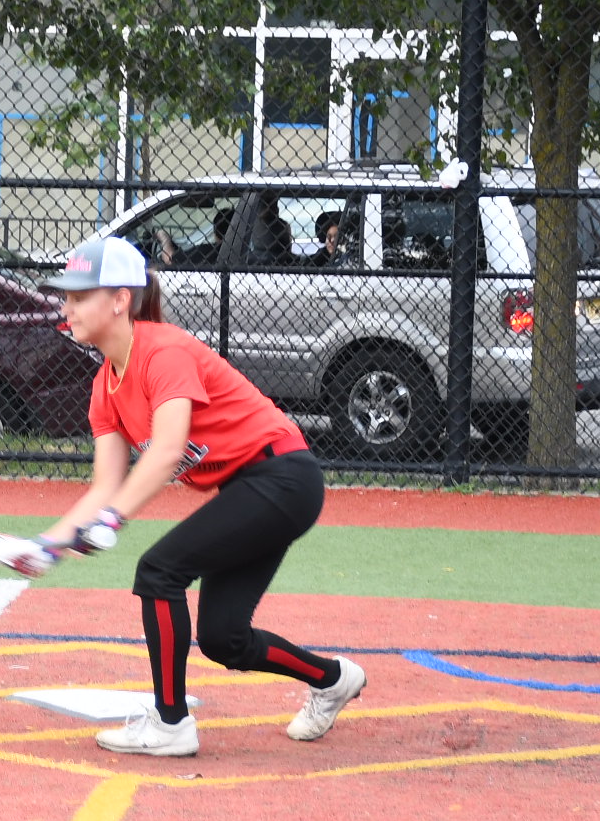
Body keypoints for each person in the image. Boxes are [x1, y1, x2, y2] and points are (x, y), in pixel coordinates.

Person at [27, 235, 364, 757]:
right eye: (65, 296)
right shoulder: (104, 385)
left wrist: (112, 520)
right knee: (223, 638)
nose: (65, 306)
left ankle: (170, 723)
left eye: (78, 295)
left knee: (159, 570)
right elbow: (105, 485)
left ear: (119, 300)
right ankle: (333, 679)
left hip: (283, 477)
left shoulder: (162, 350)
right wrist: (46, 544)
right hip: (250, 488)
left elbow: (165, 452)